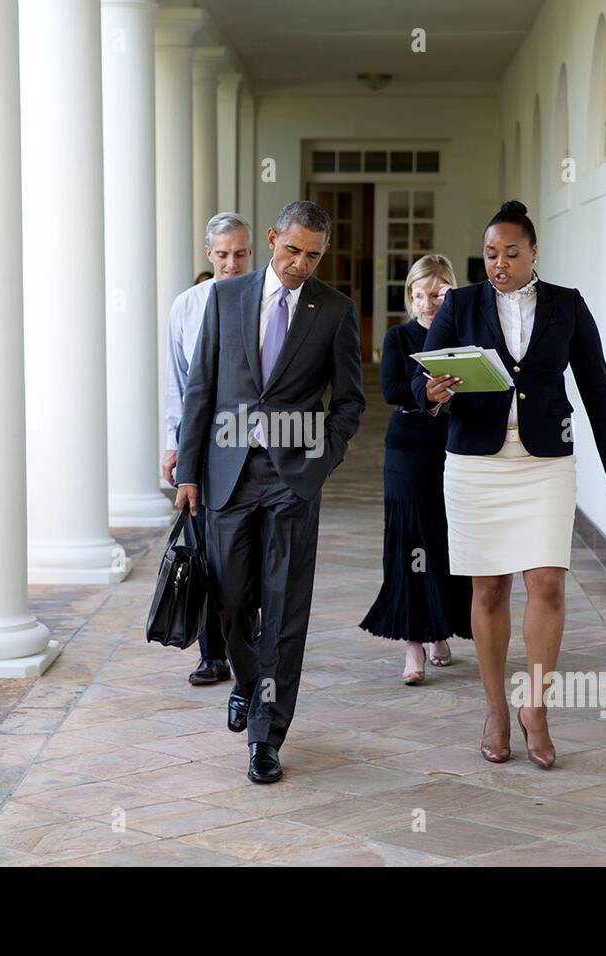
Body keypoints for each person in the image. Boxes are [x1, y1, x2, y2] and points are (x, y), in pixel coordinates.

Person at [415, 200, 606, 770]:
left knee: (547, 583)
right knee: (488, 589)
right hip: (476, 463)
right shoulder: (460, 304)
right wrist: (434, 394)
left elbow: (596, 384)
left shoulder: (567, 305)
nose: (499, 263)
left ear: (533, 252)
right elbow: (424, 379)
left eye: (511, 253)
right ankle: (495, 708)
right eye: (490, 254)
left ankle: (535, 709)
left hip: (544, 463)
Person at [175, 200, 365, 784]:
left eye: (312, 255)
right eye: (291, 250)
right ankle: (250, 681)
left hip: (291, 478)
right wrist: (187, 473)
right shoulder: (226, 300)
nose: (299, 264)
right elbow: (201, 388)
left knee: (284, 608)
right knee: (231, 599)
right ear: (271, 239)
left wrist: (319, 460)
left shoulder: (334, 311)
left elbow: (350, 401)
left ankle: (266, 733)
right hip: (227, 473)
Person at [360, 254, 472, 684]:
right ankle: (413, 645)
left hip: (454, 449)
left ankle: (439, 631)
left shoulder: (464, 338)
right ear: (410, 296)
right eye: (421, 294)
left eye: (439, 294)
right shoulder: (398, 338)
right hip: (407, 454)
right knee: (410, 548)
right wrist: (424, 391)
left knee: (446, 544)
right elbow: (389, 390)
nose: (429, 303)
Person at [162, 211, 253, 685]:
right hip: (199, 446)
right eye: (222, 255)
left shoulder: (263, 302)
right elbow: (176, 383)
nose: (231, 263)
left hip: (247, 446)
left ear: (251, 251)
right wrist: (174, 445)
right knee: (202, 552)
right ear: (208, 254)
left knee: (242, 553)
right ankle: (211, 654)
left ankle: (247, 652)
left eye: (239, 254)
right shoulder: (187, 305)